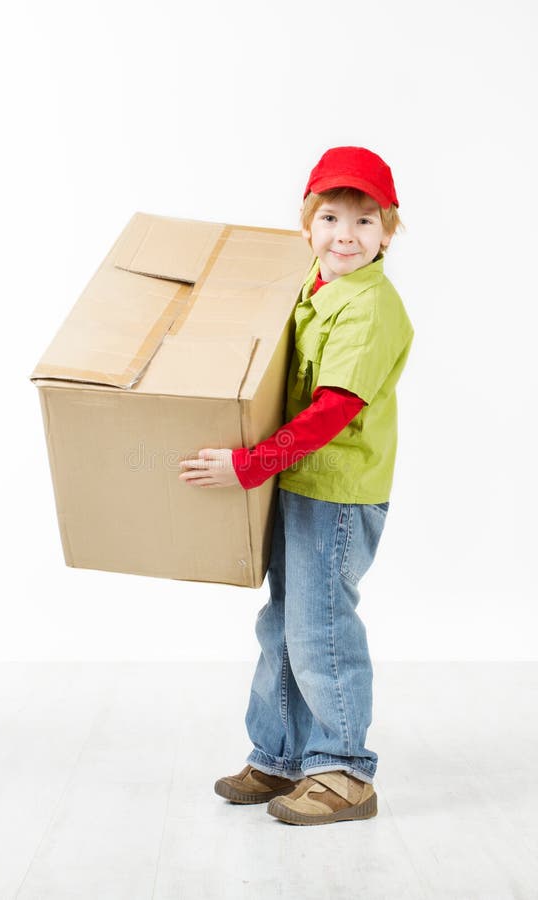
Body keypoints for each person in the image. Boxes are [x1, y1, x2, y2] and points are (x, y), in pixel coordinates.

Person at [178, 146, 414, 826]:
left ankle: (342, 771)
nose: (347, 235)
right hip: (300, 484)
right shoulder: (314, 283)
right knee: (281, 624)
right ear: (307, 226)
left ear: (388, 233)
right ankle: (279, 756)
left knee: (322, 629)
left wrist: (249, 464)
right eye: (332, 218)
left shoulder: (369, 307)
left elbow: (333, 409)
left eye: (365, 223)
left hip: (338, 493)